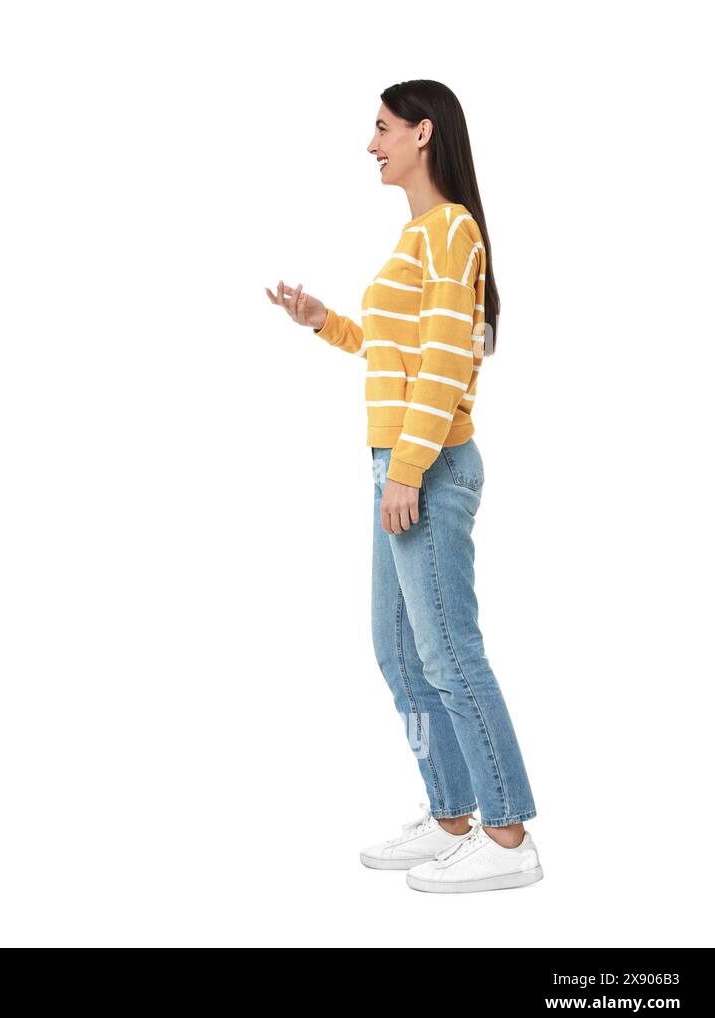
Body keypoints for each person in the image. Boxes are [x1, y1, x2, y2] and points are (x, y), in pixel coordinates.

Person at [265, 81, 542, 893]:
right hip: (395, 463)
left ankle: (508, 831)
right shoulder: (416, 238)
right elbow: (395, 352)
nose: (371, 143)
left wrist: (410, 470)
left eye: (382, 128)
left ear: (424, 134)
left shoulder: (451, 231)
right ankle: (453, 810)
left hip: (426, 466)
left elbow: (451, 365)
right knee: (398, 649)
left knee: (449, 651)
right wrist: (324, 321)